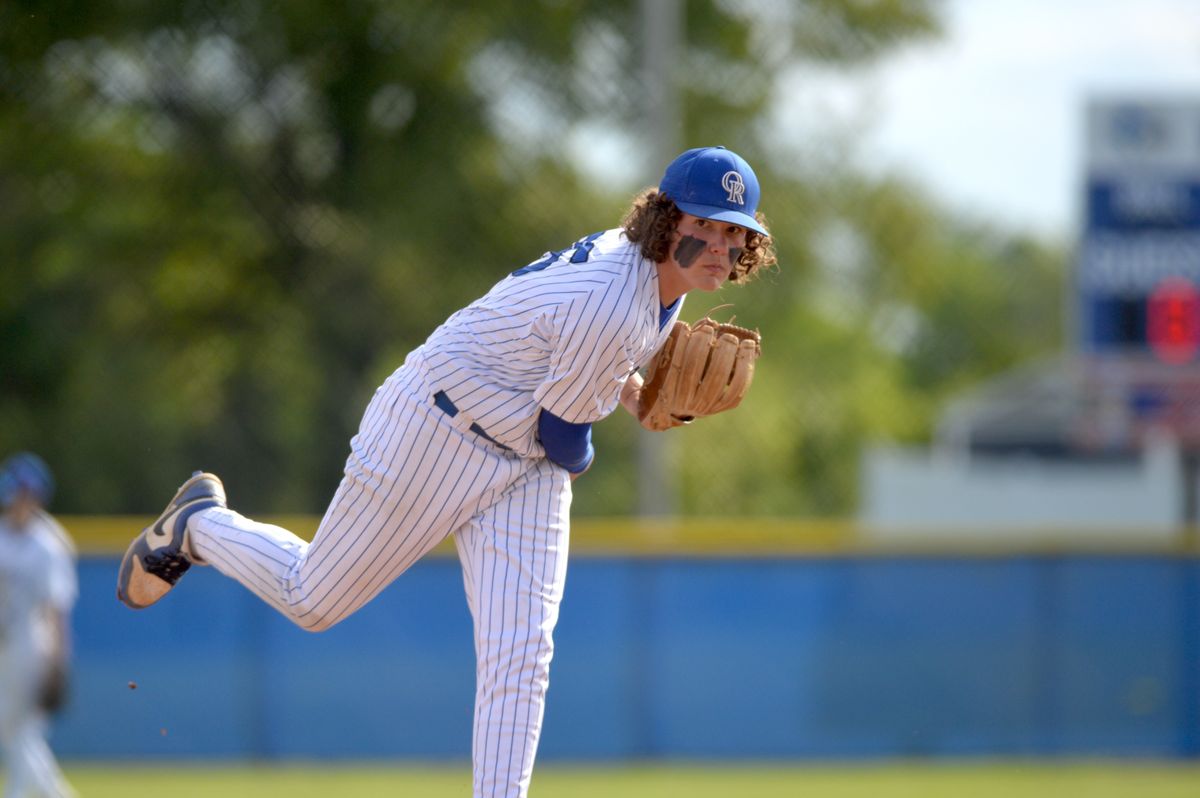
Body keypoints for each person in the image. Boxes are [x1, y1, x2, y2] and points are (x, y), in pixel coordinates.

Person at [117, 145, 776, 797]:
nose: (721, 244)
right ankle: (200, 525)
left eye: (735, 231)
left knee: (521, 654)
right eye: (705, 225)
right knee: (312, 600)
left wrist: (633, 395)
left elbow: (576, 369)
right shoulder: (612, 298)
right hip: (437, 429)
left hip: (521, 457)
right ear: (666, 221)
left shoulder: (658, 280)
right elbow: (564, 435)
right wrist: (592, 447)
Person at [0, 453, 77, 798]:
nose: (23, 500)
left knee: (15, 727)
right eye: (19, 492)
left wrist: (60, 660)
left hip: (30, 642)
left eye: (29, 493)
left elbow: (57, 608)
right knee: (18, 730)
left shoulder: (48, 543)